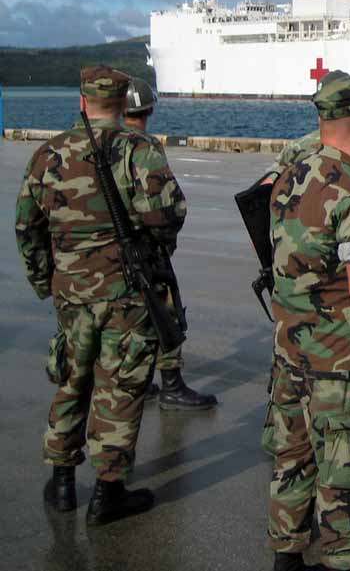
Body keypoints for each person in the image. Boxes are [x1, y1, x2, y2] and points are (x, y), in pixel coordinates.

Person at [15, 66, 188, 524]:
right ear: (124, 104)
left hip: (71, 292)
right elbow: (169, 214)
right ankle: (108, 491)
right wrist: (153, 249)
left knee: (72, 378)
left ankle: (64, 481)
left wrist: (45, 280)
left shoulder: (47, 155)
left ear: (82, 102)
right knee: (120, 387)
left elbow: (26, 228)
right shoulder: (141, 151)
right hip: (127, 292)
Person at [263, 72, 350, 571]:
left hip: (289, 353)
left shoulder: (286, 179)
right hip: (341, 365)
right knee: (347, 478)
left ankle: (287, 558)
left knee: (292, 460)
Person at [122, 76, 218, 410]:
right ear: (149, 109)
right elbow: (169, 205)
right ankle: (172, 385)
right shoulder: (145, 147)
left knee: (126, 316)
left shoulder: (103, 143)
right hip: (146, 249)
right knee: (166, 314)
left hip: (111, 253)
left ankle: (135, 378)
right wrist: (165, 243)